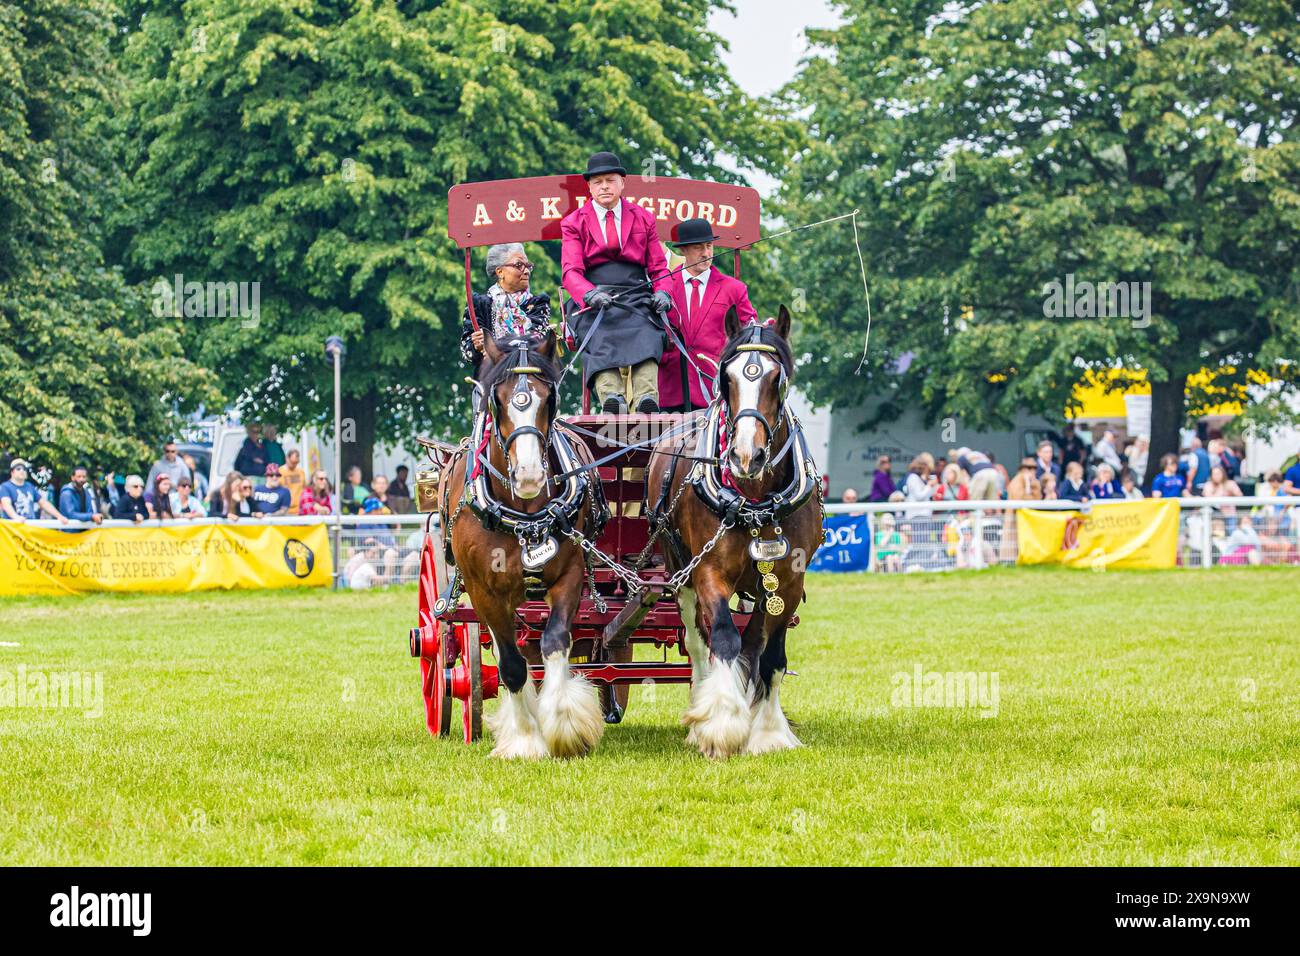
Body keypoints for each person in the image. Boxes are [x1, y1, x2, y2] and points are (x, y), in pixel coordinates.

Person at [561, 151, 674, 414]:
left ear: (622, 183)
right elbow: (570, 273)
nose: (604, 187)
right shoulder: (573, 223)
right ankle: (612, 398)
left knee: (648, 328)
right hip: (595, 299)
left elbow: (658, 267)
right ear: (589, 187)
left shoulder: (644, 218)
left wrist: (664, 293)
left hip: (636, 294)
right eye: (597, 182)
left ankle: (647, 399)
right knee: (596, 331)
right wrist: (589, 295)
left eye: (610, 180)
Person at [657, 217, 758, 413]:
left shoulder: (734, 289)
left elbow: (752, 332)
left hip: (714, 391)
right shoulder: (664, 286)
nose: (706, 253)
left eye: (709, 246)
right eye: (698, 248)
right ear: (682, 250)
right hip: (669, 390)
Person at [459, 243, 552, 380]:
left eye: (528, 266)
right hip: (491, 380)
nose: (526, 271)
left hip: (531, 376)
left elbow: (535, 342)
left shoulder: (538, 303)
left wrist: (492, 344)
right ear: (500, 272)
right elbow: (468, 353)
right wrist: (476, 346)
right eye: (519, 265)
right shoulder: (479, 304)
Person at [1, 459, 69, 524]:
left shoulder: (29, 486)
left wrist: (59, 516)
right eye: (18, 469)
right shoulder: (5, 487)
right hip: (13, 529)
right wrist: (16, 517)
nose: (22, 471)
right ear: (12, 472)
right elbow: (6, 505)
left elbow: (43, 503)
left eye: (24, 469)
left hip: (29, 527)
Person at [280, 448, 307, 512]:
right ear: (287, 458)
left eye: (296, 462)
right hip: (285, 509)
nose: (294, 464)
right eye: (292, 462)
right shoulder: (279, 472)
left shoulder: (301, 472)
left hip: (300, 509)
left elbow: (305, 488)